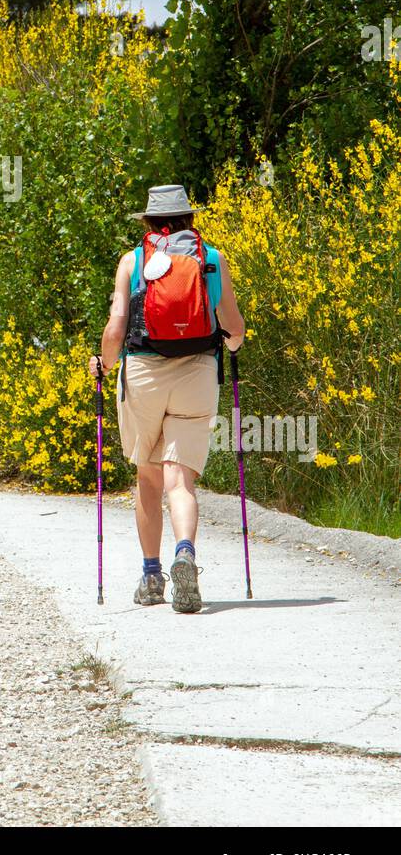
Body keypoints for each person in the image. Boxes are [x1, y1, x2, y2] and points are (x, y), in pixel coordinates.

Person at [89, 185, 244, 613]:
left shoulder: (133, 261)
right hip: (197, 372)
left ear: (148, 222)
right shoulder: (211, 259)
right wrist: (231, 350)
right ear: (189, 219)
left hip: (144, 374)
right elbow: (233, 326)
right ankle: (185, 554)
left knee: (148, 476)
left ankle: (152, 575)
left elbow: (116, 327)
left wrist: (103, 364)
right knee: (180, 480)